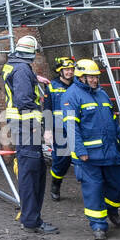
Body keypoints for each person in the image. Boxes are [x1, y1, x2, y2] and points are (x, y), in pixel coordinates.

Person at [61, 59, 120, 239]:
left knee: (119, 185)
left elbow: (113, 124)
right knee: (94, 189)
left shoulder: (102, 94)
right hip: (89, 156)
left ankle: (111, 209)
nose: (94, 80)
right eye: (91, 77)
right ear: (81, 77)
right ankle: (98, 225)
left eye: (96, 77)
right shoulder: (70, 96)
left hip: (111, 152)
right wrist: (80, 151)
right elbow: (71, 127)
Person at [3, 34, 57, 234]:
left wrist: (35, 78)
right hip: (27, 127)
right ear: (32, 53)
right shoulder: (23, 70)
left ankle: (30, 217)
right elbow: (24, 99)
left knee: (31, 170)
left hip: (21, 127)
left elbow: (15, 82)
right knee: (32, 173)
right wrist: (35, 126)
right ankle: (31, 220)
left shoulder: (13, 65)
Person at [46, 56, 76, 201]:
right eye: (67, 69)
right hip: (60, 129)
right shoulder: (52, 86)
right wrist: (47, 130)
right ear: (60, 71)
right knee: (62, 159)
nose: (70, 72)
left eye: (71, 69)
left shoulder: (78, 85)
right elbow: (47, 109)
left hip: (77, 128)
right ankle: (56, 184)